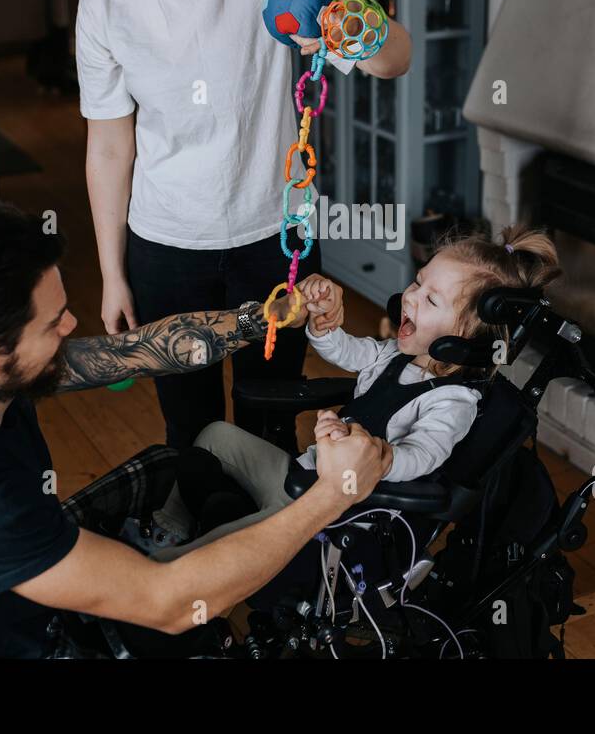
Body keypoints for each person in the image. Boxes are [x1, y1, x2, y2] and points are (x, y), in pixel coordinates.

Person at [0, 202, 389, 658]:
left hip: (3, 587)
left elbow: (128, 353)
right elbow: (168, 602)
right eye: (54, 324)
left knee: (174, 463)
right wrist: (332, 494)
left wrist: (266, 317)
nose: (73, 326)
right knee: (193, 618)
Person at [77, 0, 413, 449]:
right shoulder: (103, 8)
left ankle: (276, 545)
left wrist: (352, 23)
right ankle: (209, 537)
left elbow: (394, 60)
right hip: (166, 246)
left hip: (274, 241)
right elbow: (109, 147)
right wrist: (112, 272)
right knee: (191, 428)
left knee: (270, 418)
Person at [139, 226, 563, 561]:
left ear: (470, 336)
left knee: (229, 548)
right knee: (214, 435)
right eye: (417, 283)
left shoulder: (452, 400)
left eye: (431, 300)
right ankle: (168, 529)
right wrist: (323, 324)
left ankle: (173, 576)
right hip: (300, 477)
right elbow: (345, 349)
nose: (410, 298)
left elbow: (422, 456)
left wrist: (370, 451)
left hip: (327, 516)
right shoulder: (395, 355)